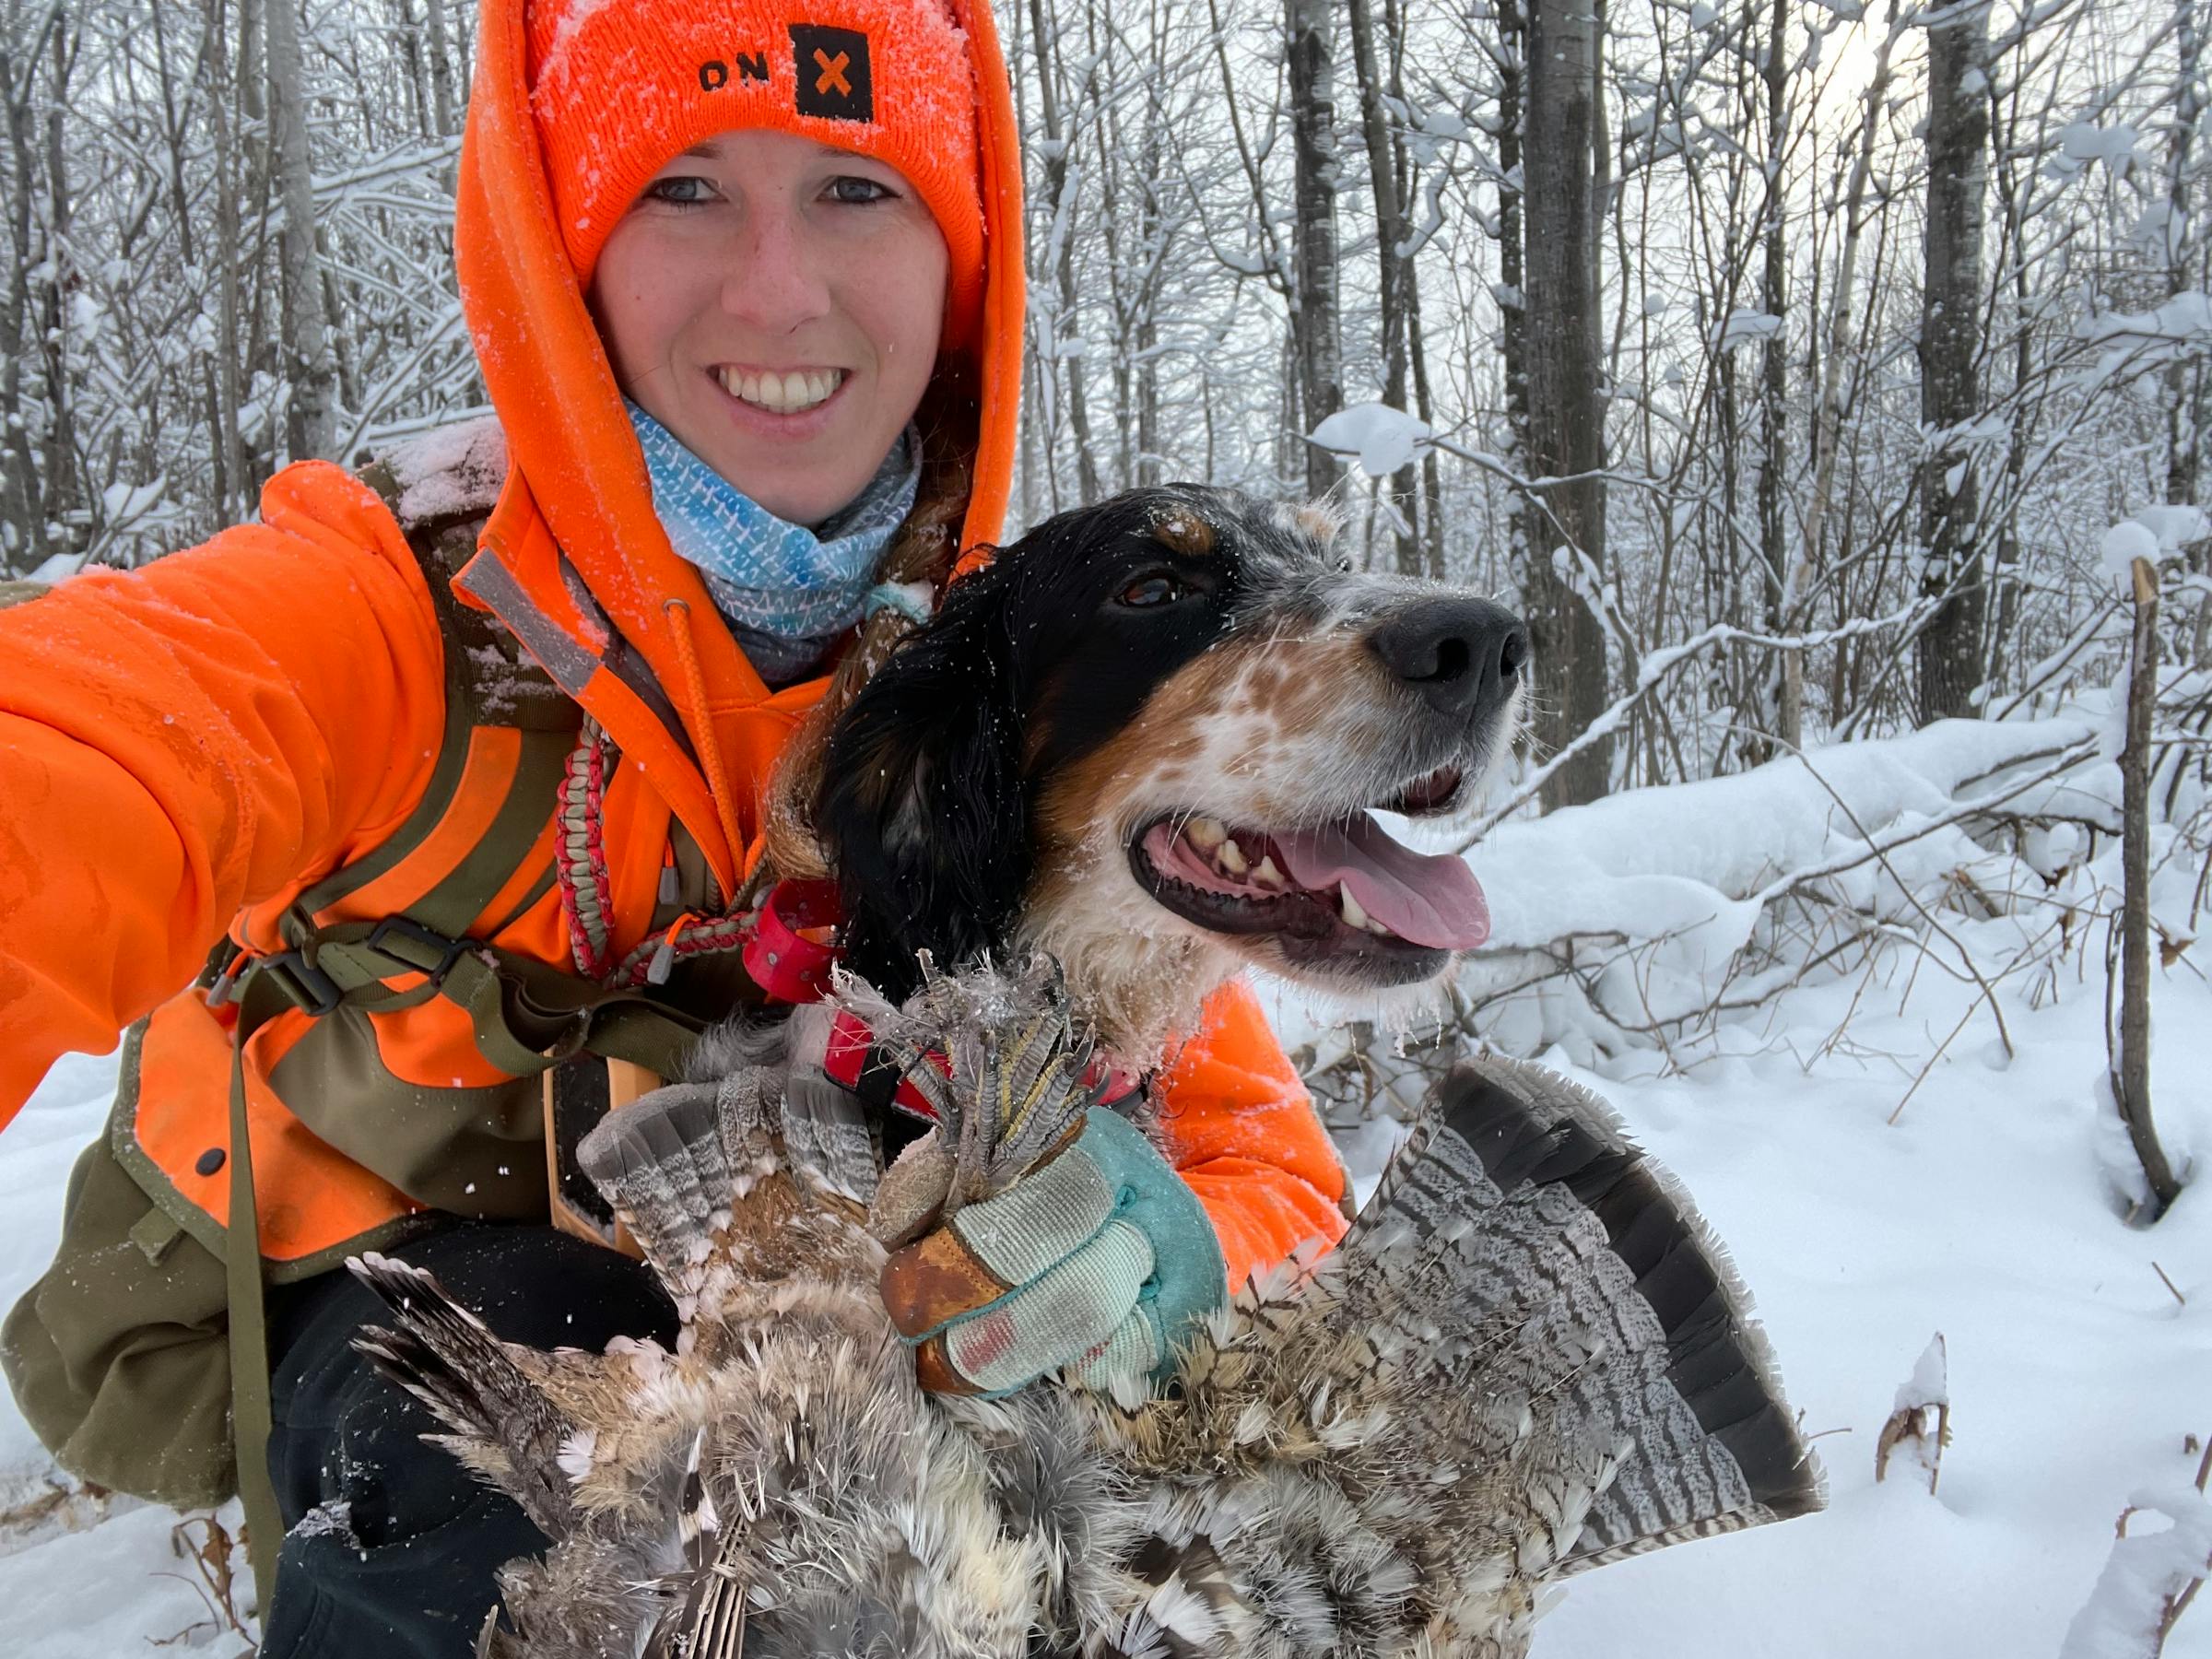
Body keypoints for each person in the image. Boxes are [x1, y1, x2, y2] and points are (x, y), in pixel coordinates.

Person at [0, 2, 1350, 1653]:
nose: (778, 290)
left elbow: (1264, 1171)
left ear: (963, 268)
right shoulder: (373, 626)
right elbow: (62, 771)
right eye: (683, 189)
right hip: (402, 1329)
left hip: (821, 1347)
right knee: (553, 1391)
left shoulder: (1014, 702)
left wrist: (1172, 1250)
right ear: (561, 253)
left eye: (861, 189)